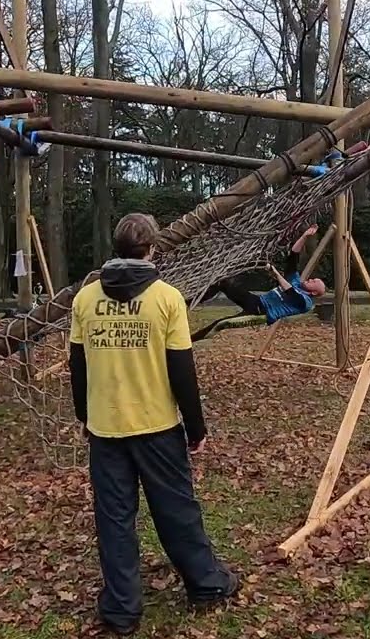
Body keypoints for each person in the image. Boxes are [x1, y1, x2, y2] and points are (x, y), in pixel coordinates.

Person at [69, 213, 239, 635]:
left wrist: (85, 417)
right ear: (152, 249)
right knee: (176, 509)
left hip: (106, 429)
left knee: (114, 518)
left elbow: (78, 367)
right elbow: (182, 370)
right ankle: (206, 584)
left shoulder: (85, 299)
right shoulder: (166, 298)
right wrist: (196, 428)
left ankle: (122, 609)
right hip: (157, 426)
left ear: (116, 248)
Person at [189, 225, 327, 342]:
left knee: (220, 324)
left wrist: (276, 273)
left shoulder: (306, 303)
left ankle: (188, 341)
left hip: (260, 313)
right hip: (256, 301)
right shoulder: (295, 280)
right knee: (222, 283)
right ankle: (190, 302)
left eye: (314, 282)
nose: (311, 279)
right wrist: (304, 235)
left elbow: (290, 292)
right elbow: (293, 255)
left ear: (314, 292)